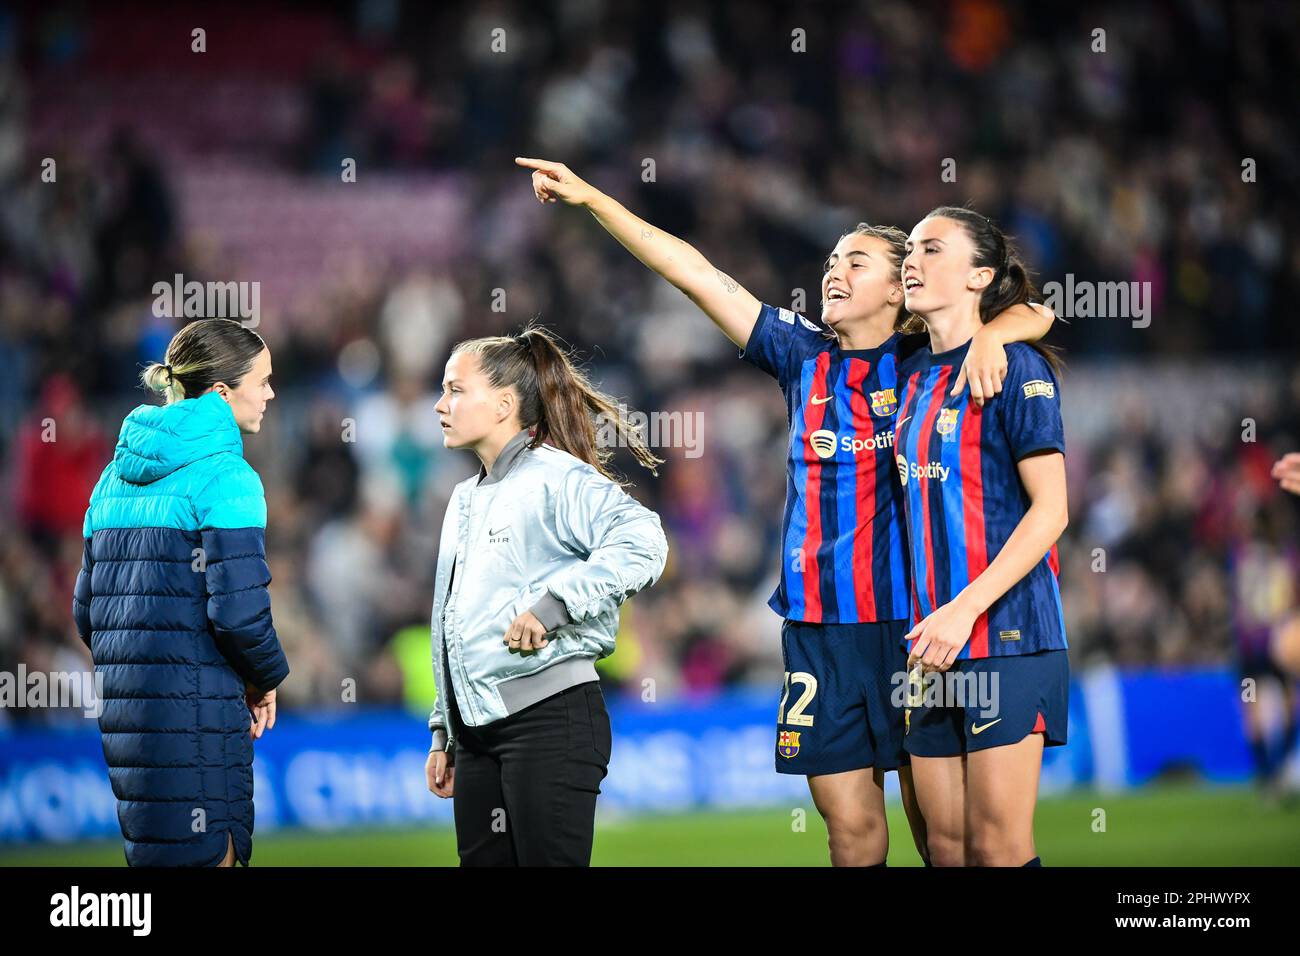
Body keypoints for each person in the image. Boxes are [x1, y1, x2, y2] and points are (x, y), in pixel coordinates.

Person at [516, 156, 1054, 865]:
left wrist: (996, 333)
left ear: (901, 289)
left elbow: (1035, 311)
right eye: (833, 260)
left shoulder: (933, 361)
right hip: (817, 632)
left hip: (912, 626)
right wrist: (592, 199)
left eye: (856, 263)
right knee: (852, 835)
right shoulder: (802, 356)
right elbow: (695, 273)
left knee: (949, 844)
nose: (834, 271)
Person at [423, 325, 668, 866]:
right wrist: (446, 728)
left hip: (549, 720)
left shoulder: (557, 477)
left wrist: (553, 605)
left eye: (455, 390)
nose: (440, 404)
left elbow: (645, 541)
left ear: (505, 404)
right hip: (475, 734)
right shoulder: (463, 497)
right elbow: (452, 620)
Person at [72, 318, 288, 867]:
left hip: (130, 726)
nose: (270, 392)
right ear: (221, 393)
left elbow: (86, 613)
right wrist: (265, 678)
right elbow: (239, 615)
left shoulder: (111, 478)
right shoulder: (227, 477)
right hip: (200, 720)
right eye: (261, 380)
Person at [894, 206, 1069, 866]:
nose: (912, 259)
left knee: (998, 847)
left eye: (932, 249)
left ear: (979, 276)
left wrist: (964, 609)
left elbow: (1051, 512)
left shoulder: (1017, 369)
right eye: (909, 248)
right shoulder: (910, 374)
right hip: (931, 648)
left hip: (1007, 635)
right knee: (947, 849)